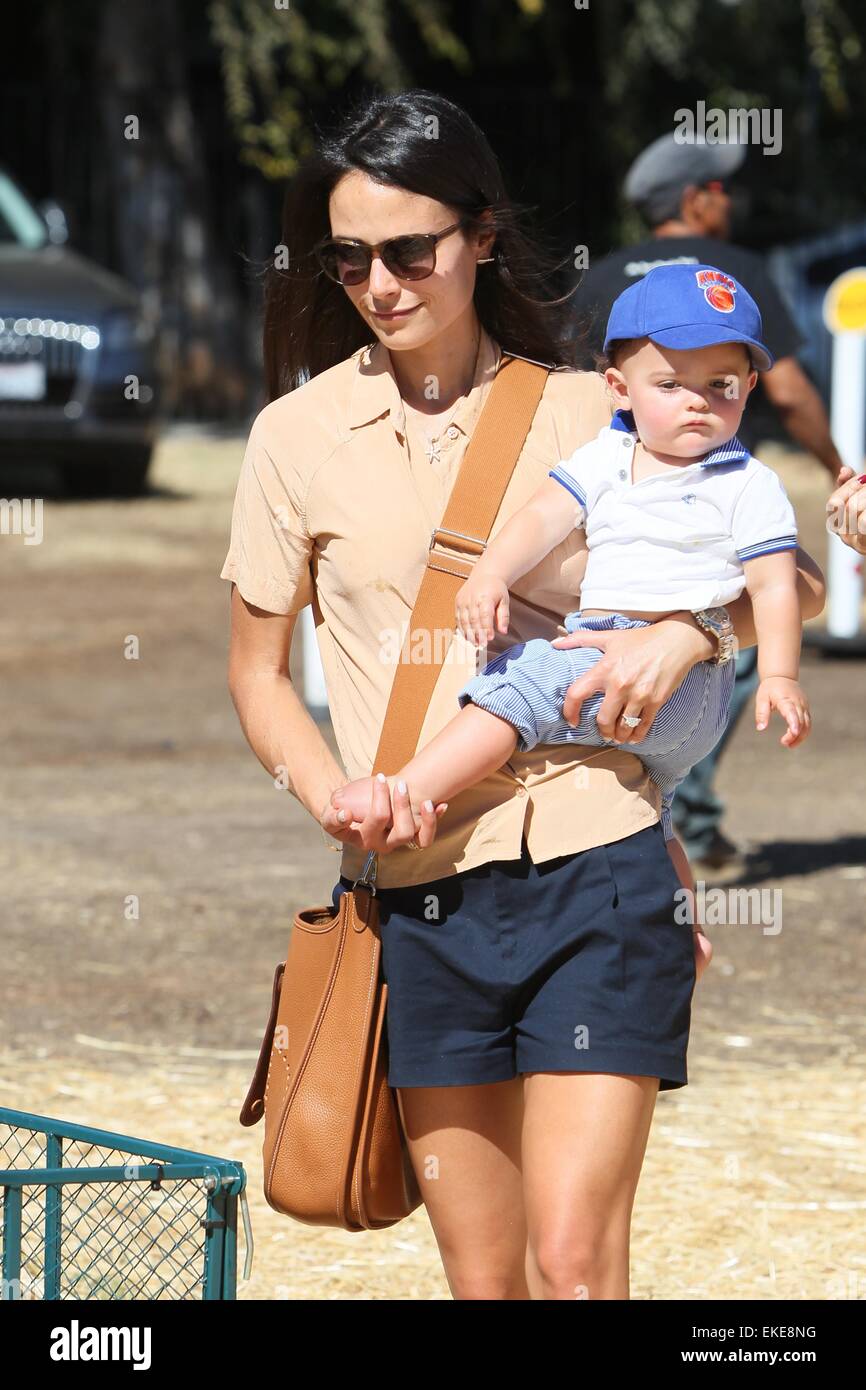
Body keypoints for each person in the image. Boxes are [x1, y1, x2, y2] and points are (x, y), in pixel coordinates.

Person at [219, 91, 826, 1301]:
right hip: (421, 890)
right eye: (349, 258)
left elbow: (788, 582)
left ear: (480, 236)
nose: (379, 283)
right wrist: (334, 792)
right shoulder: (292, 435)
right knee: (487, 1280)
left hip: (597, 867)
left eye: (408, 250)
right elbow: (251, 672)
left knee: (573, 1265)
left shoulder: (587, 404)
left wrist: (690, 632)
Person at [331, 263, 812, 982]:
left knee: (519, 686)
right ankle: (686, 932)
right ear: (618, 389)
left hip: (689, 675)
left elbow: (778, 584)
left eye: (723, 385)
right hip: (668, 713)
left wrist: (776, 673)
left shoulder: (748, 482)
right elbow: (542, 517)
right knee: (654, 809)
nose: (698, 405)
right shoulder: (609, 457)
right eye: (671, 385)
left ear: (747, 388)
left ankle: (409, 792)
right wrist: (489, 572)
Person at [569, 130, 843, 878]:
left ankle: (637, 804)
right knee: (737, 656)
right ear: (697, 200)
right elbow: (784, 388)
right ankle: (684, 806)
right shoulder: (736, 273)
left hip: (608, 514)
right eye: (721, 190)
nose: (730, 202)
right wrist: (839, 466)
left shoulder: (604, 281)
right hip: (717, 519)